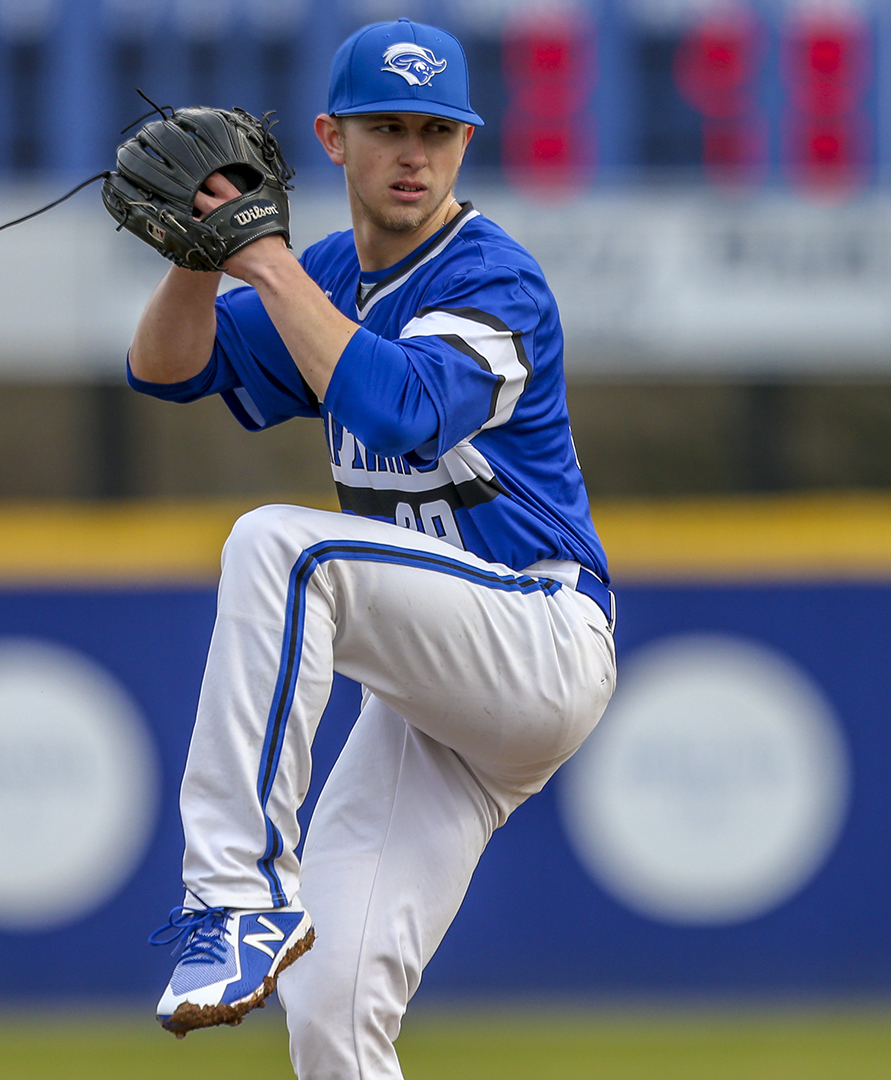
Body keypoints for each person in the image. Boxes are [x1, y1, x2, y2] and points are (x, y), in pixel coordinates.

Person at [125, 18, 616, 1079]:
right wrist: (198, 261)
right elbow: (168, 369)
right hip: (432, 697)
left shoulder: (495, 279)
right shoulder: (328, 274)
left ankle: (236, 897)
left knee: (283, 548)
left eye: (436, 130)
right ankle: (267, 930)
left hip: (539, 638)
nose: (413, 153)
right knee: (331, 1006)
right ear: (332, 139)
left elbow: (403, 410)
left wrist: (262, 259)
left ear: (466, 143)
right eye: (387, 127)